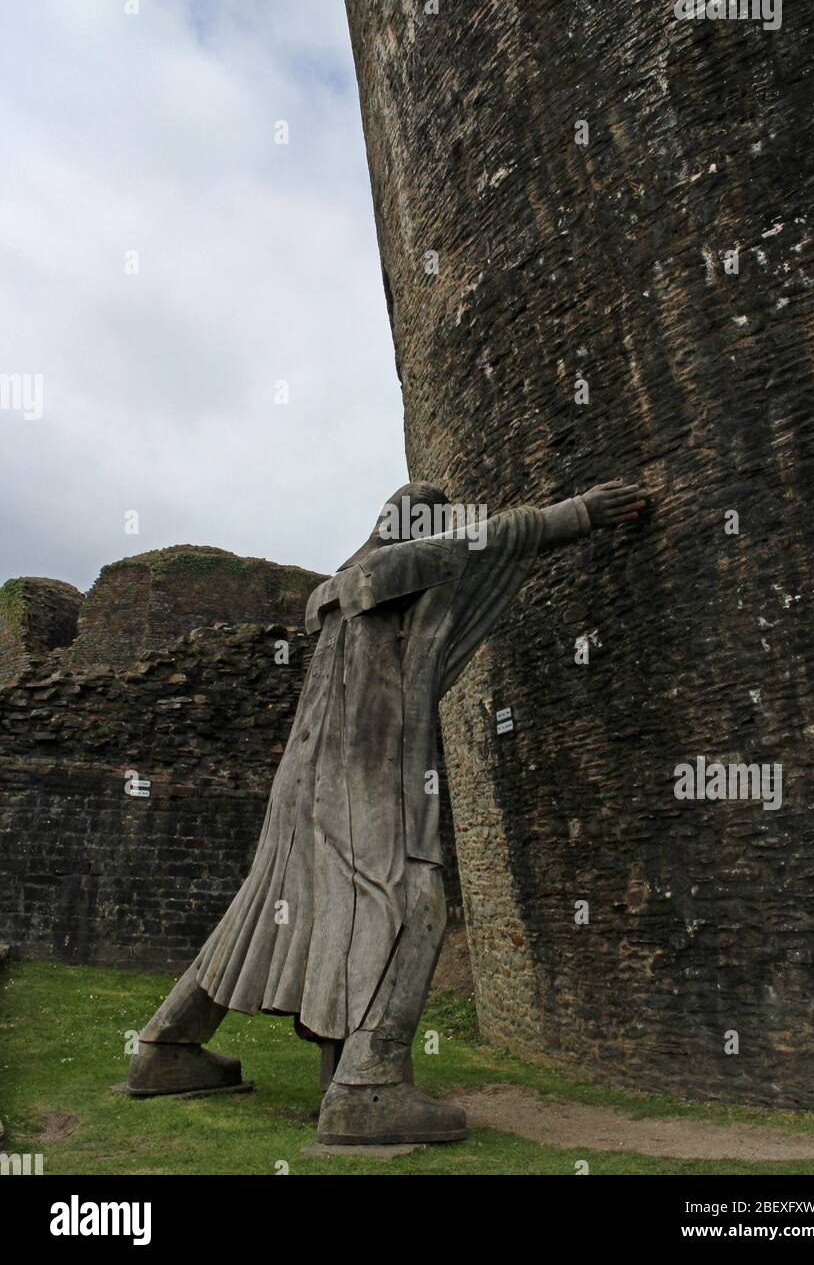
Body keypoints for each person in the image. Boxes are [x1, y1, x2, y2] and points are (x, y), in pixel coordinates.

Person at [126, 478, 649, 1144]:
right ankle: (367, 1087)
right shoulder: (393, 568)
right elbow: (482, 542)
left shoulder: (342, 589)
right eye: (432, 521)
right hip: (367, 775)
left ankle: (167, 1049)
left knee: (272, 911)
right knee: (415, 906)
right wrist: (574, 515)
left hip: (306, 778)